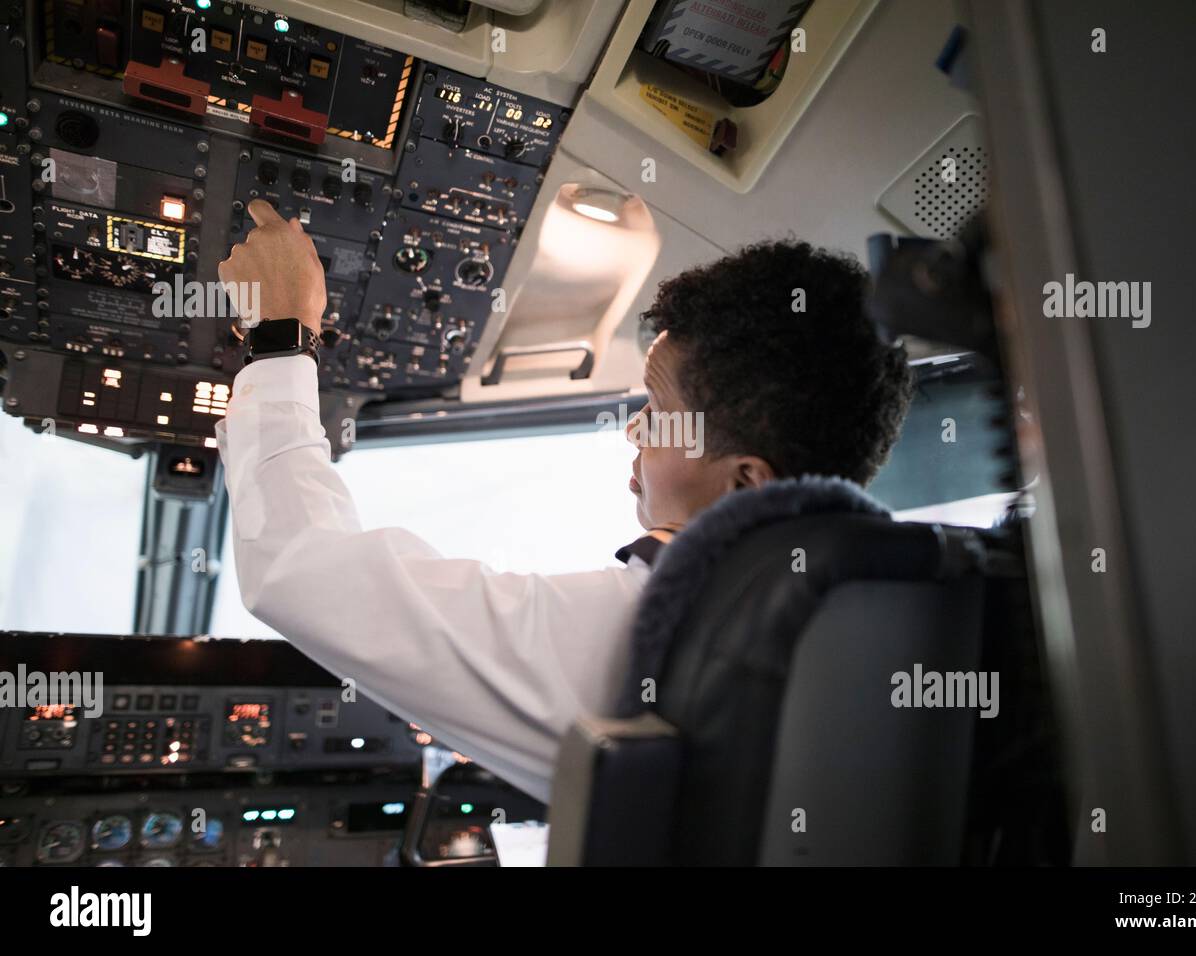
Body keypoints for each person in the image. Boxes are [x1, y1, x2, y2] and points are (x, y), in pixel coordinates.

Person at [215, 199, 914, 801]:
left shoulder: (672, 637)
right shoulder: (897, 619)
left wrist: (280, 337)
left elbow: (302, 569)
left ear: (746, 485)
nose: (634, 432)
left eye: (658, 413)